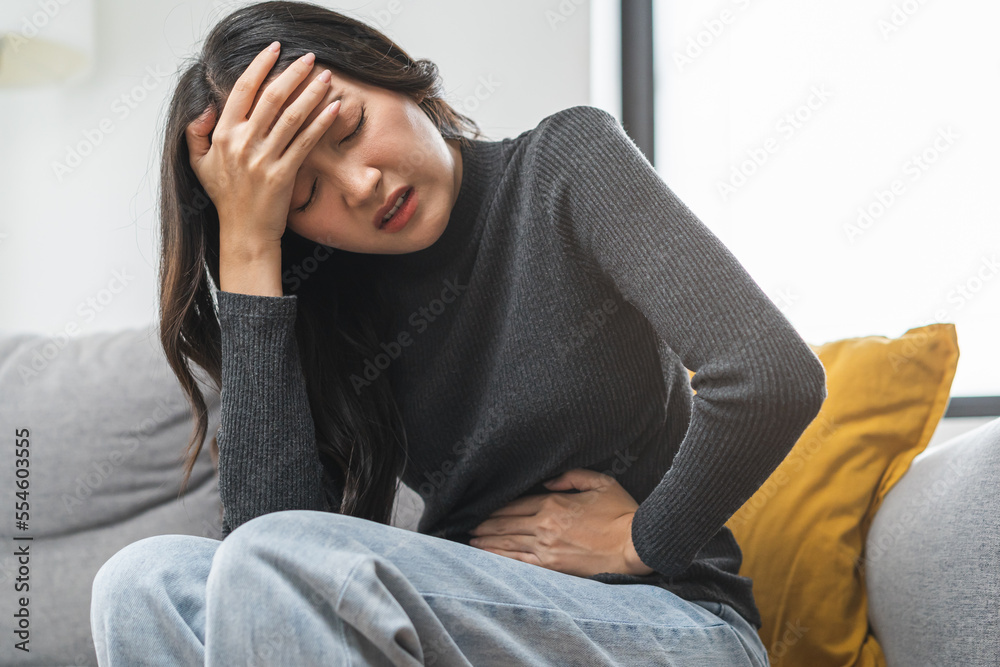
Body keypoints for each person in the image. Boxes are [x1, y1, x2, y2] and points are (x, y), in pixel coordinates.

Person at [90, 1, 826, 664]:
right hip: (473, 629)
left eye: (349, 128)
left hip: (673, 625)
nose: (361, 185)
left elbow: (771, 373)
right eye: (303, 194)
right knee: (142, 582)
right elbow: (269, 542)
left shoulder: (563, 166)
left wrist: (639, 539)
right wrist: (251, 245)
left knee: (270, 556)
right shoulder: (334, 305)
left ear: (389, 73)